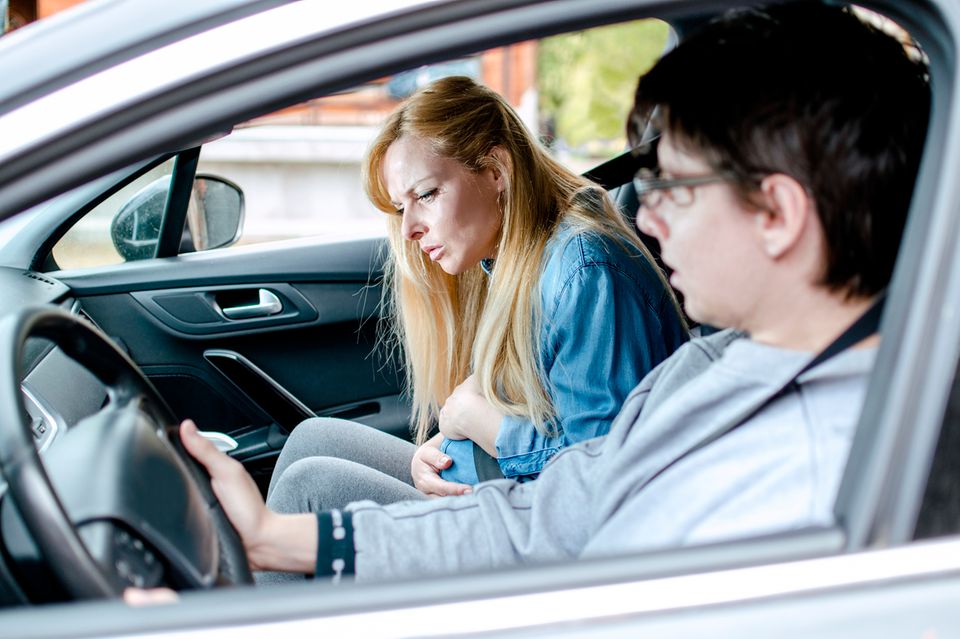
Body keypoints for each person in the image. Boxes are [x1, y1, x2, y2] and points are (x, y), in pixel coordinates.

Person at [174, 2, 929, 584]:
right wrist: (282, 540)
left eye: (673, 186)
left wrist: (484, 425)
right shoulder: (716, 364)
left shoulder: (818, 468)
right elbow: (551, 514)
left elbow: (565, 535)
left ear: (778, 214)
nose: (649, 215)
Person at [256, 76, 688, 582]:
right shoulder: (514, 254)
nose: (410, 228)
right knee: (311, 439)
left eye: (427, 195)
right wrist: (441, 445)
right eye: (402, 208)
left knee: (310, 486)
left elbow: (600, 481)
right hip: (492, 486)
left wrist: (480, 422)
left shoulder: (584, 272)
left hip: (533, 536)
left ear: (496, 169)